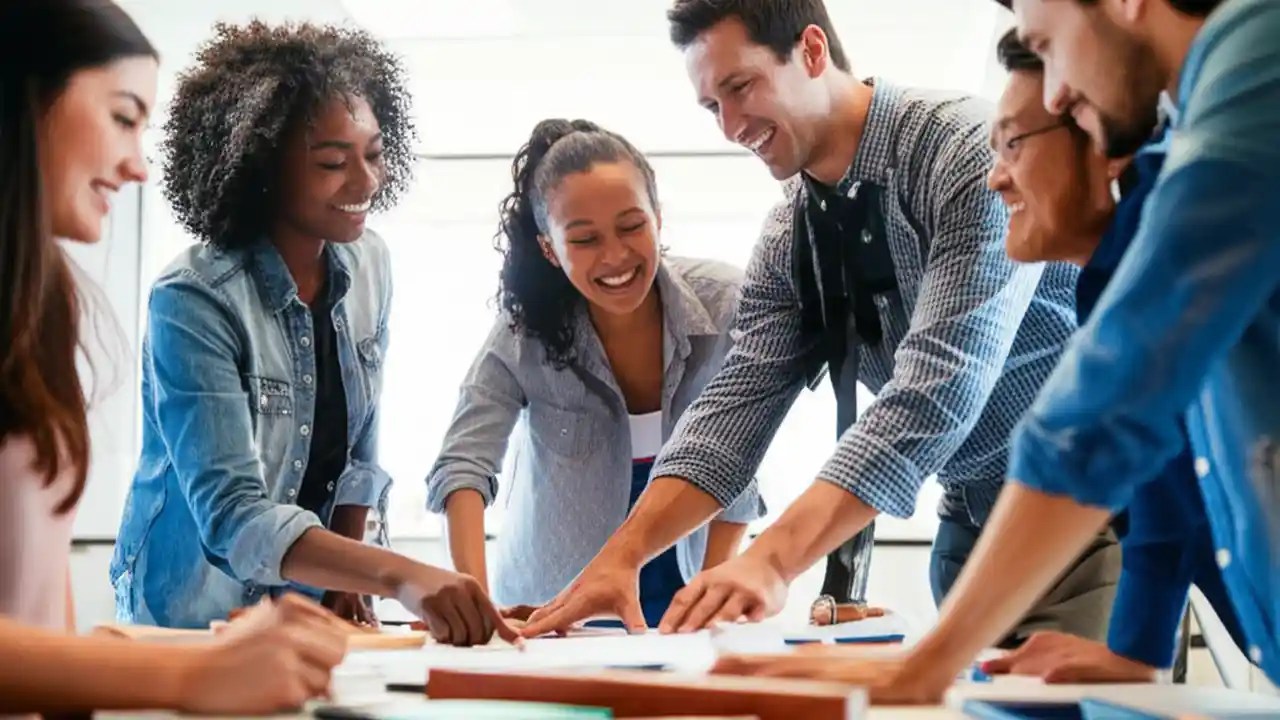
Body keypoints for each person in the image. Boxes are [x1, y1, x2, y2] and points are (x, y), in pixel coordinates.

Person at [711, 0, 1280, 701]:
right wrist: (1136, 651)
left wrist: (924, 668)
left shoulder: (1257, 58)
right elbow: (1159, 471)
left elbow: (1094, 415)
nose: (1064, 91)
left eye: (1047, 41)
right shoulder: (1145, 214)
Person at [524, 0, 1119, 642]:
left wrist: (771, 560)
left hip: (1083, 518)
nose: (729, 126)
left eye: (740, 87)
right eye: (710, 106)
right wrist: (622, 558)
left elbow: (936, 393)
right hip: (969, 529)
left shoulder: (966, 153)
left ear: (811, 51)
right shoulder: (790, 233)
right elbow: (734, 408)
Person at [110, 19, 516, 647]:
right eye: (332, 162)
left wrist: (345, 579)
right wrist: (399, 575)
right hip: (191, 618)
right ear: (263, 166)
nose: (366, 182)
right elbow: (233, 517)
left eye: (375, 154)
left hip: (305, 609)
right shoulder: (193, 299)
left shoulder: (369, 263)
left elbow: (358, 453)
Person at [0, 0, 346, 714]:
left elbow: (37, 581)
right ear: (21, 97)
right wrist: (186, 676)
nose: (137, 165)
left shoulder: (45, 303)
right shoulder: (192, 296)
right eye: (123, 117)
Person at [982, 27, 1249, 685]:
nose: (995, 178)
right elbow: (1170, 484)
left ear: (1101, 134)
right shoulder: (1110, 277)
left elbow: (1097, 440)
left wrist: (928, 666)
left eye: (1013, 144)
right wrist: (1136, 648)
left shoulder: (1167, 238)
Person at [427, 119, 762, 629]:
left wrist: (707, 600)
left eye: (631, 226)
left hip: (684, 599)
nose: (615, 256)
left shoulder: (728, 308)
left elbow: (738, 466)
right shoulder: (524, 333)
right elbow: (462, 466)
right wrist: (476, 602)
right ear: (549, 249)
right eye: (583, 239)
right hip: (553, 616)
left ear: (658, 217)